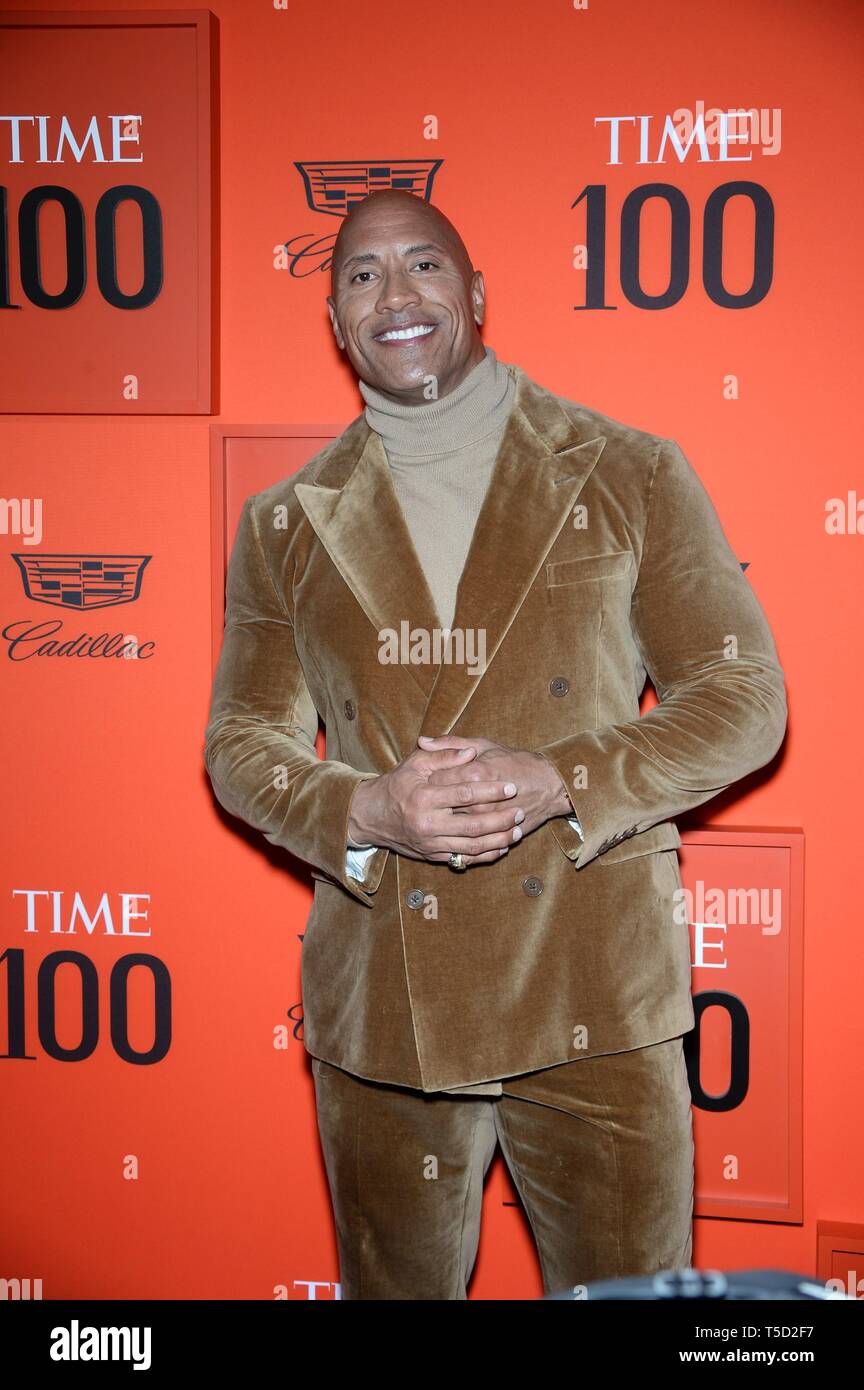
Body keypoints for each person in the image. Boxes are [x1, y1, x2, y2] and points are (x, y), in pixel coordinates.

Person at [204, 188, 787, 1300]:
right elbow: (241, 739)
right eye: (363, 275)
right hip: (386, 1010)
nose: (395, 294)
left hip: (594, 989)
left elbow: (743, 696)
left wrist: (562, 777)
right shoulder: (286, 521)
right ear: (335, 320)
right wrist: (365, 808)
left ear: (475, 292)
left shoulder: (628, 470)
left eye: (423, 264)